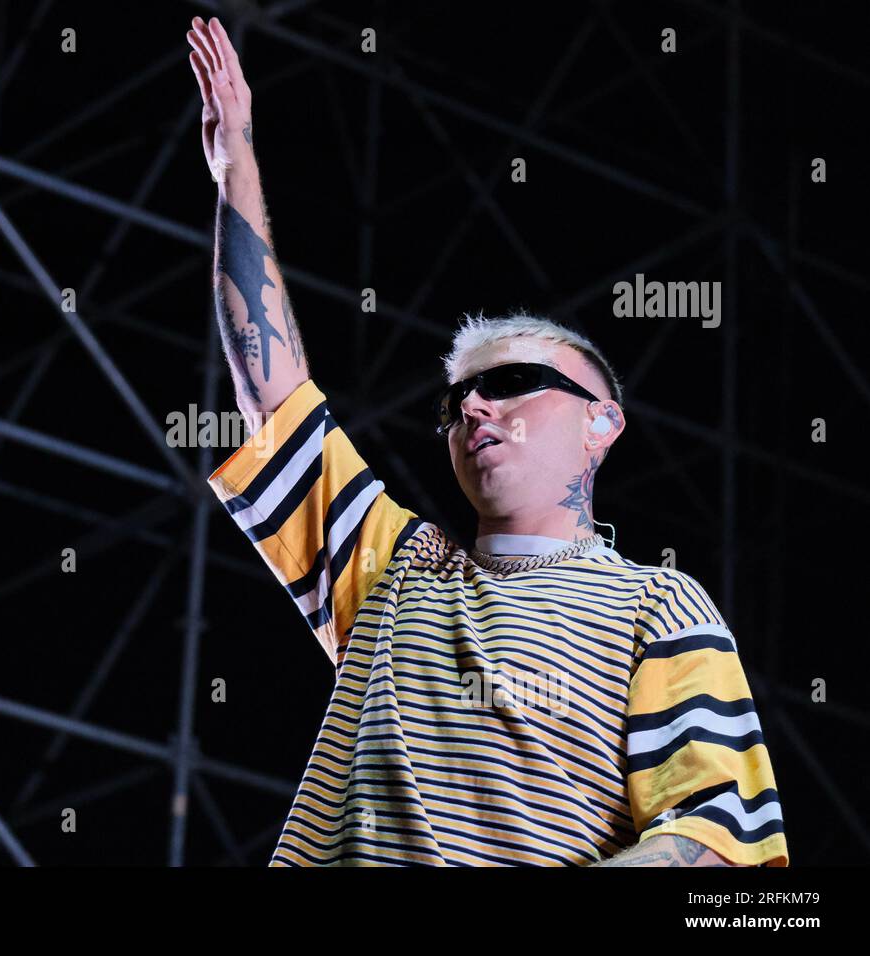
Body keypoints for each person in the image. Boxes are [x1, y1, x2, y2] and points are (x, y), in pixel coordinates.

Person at [187, 15, 788, 867]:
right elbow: (271, 392)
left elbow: (717, 842)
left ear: (601, 422)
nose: (473, 409)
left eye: (509, 384)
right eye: (456, 399)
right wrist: (235, 161)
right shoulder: (391, 565)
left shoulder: (659, 605)